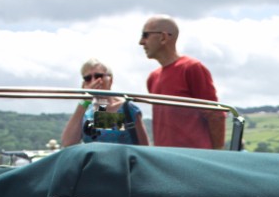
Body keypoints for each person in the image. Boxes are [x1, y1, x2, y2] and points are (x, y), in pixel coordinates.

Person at [140, 15, 225, 149]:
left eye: (145, 35)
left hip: (192, 156)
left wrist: (215, 155)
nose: (141, 42)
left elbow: (215, 115)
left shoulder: (191, 68)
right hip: (163, 157)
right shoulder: (152, 78)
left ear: (163, 37)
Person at [61, 59, 150, 147]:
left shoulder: (128, 109)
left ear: (110, 80)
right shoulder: (85, 113)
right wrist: (84, 101)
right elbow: (68, 143)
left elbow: (144, 147)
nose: (93, 81)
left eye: (98, 76)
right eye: (88, 78)